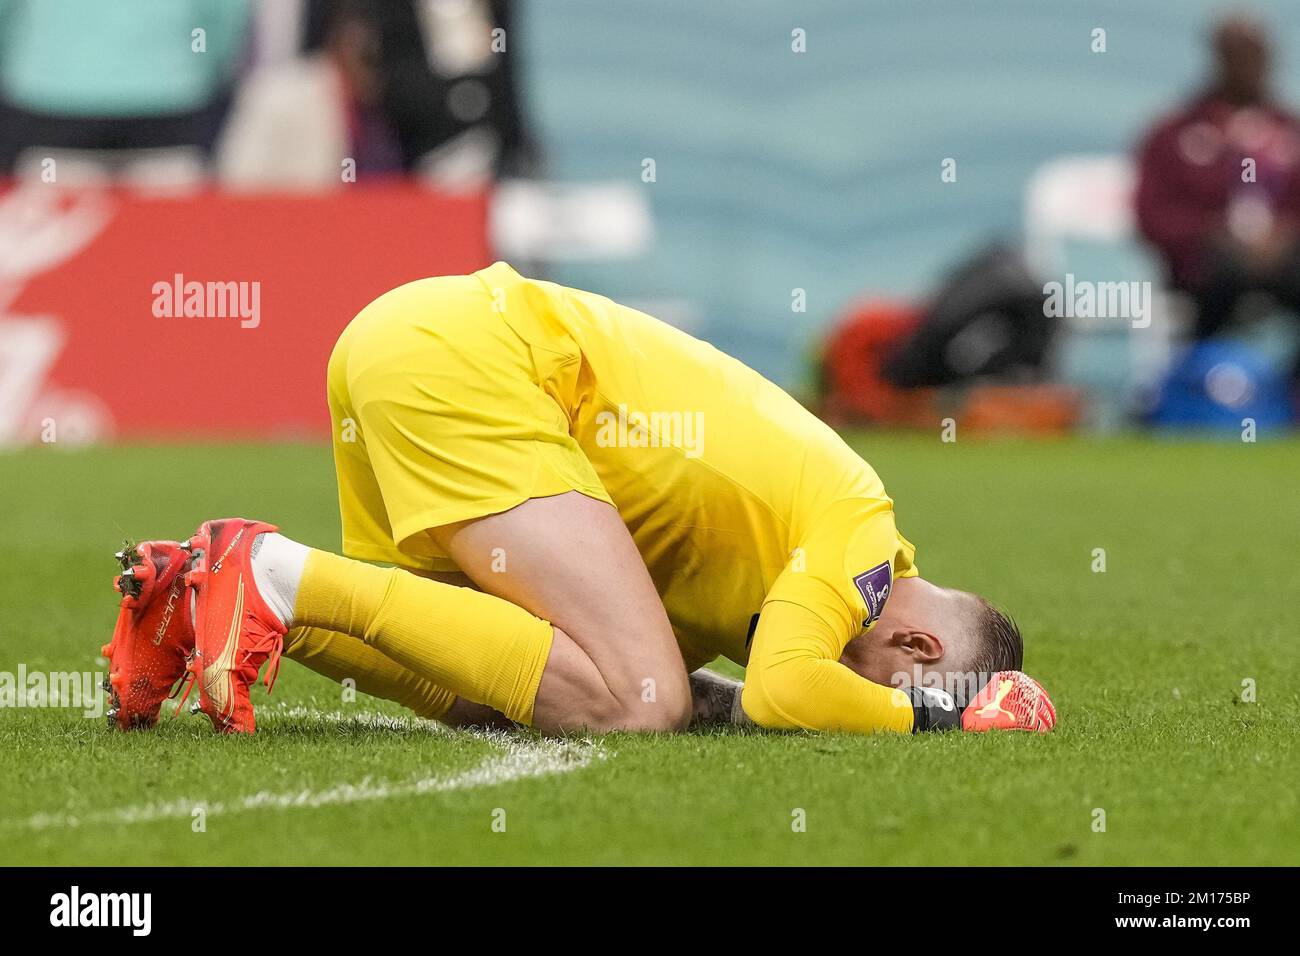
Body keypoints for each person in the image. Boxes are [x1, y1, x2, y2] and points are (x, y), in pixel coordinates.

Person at [103, 263, 1056, 738]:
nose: (855, 697)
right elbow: (784, 692)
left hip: (415, 341)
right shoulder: (866, 551)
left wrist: (699, 701)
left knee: (512, 694)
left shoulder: (788, 576)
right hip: (474, 357)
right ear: (917, 648)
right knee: (637, 700)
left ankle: (195, 591)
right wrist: (941, 720)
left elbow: (740, 692)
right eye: (883, 688)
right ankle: (272, 569)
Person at [1135, 13, 1300, 346]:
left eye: (1254, 52)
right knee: (1223, 276)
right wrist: (1211, 234)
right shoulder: (1176, 134)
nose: (1246, 62)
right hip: (1205, 265)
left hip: (1286, 258)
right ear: (1218, 56)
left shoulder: (1290, 133)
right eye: (1235, 52)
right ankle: (1205, 381)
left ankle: (1288, 389)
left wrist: (1284, 235)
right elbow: (1151, 214)